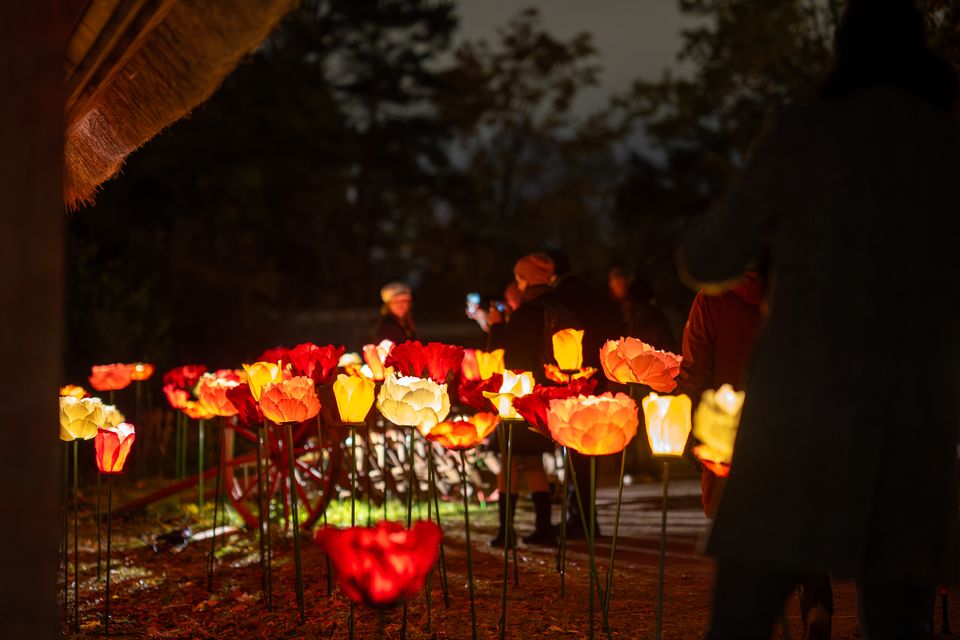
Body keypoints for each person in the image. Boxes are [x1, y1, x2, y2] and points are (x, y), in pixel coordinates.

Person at [679, 1, 960, 638]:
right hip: (912, 411)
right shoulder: (945, 148)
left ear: (845, 52)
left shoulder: (801, 134)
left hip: (802, 406)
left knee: (747, 605)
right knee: (897, 614)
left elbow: (709, 256)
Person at [676, 271, 833, 639]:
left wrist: (684, 420)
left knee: (743, 528)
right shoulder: (803, 285)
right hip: (797, 421)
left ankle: (754, 616)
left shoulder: (712, 296)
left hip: (731, 427)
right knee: (801, 514)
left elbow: (695, 362)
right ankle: (816, 601)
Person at [548, 250, 626, 538]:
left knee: (573, 446)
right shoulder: (594, 293)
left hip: (569, 377)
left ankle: (579, 517)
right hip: (598, 375)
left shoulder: (559, 297)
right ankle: (584, 515)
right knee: (587, 446)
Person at [486, 253, 563, 546]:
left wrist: (496, 327)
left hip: (521, 395)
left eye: (519, 277)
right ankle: (544, 528)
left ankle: (506, 531)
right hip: (547, 394)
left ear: (526, 279)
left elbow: (503, 356)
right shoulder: (557, 308)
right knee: (533, 463)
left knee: (510, 461)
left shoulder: (526, 314)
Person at [608, 266, 677, 352]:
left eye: (619, 278)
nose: (616, 284)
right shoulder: (614, 310)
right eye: (613, 280)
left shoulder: (645, 307)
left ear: (628, 280)